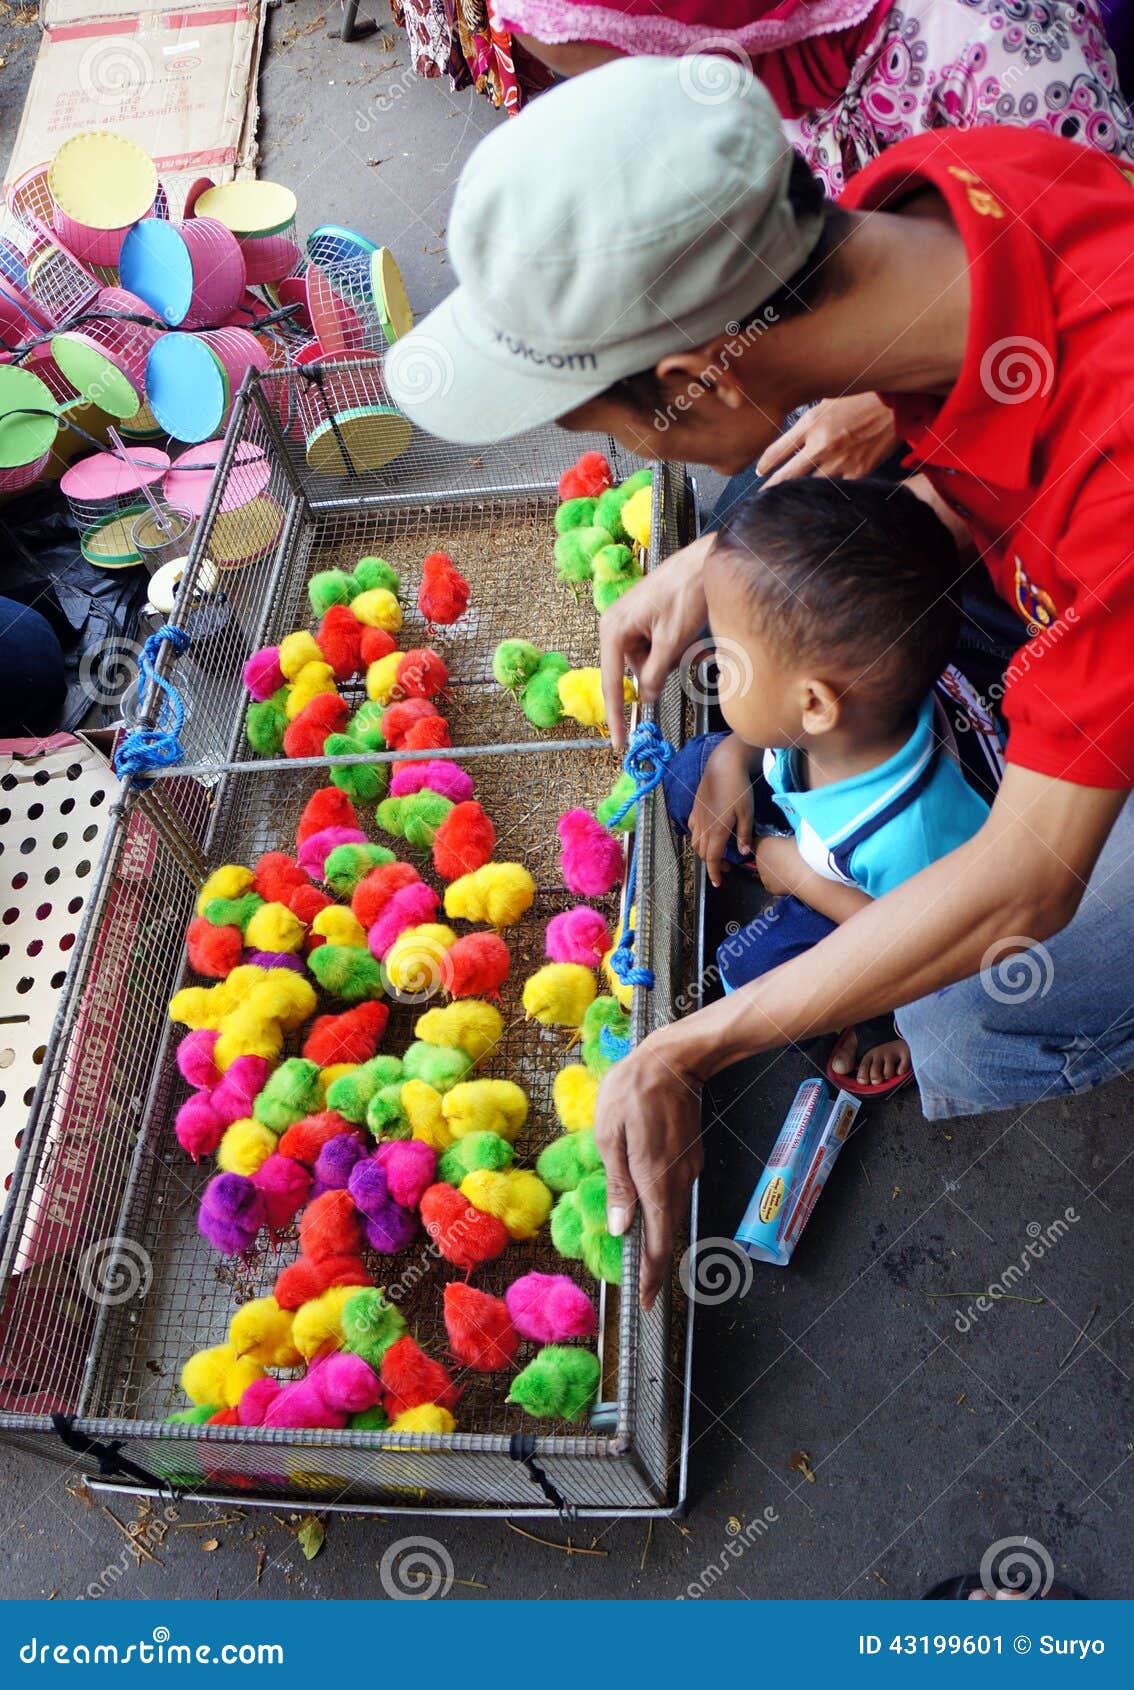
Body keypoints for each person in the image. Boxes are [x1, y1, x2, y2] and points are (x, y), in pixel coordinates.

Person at [385, 58, 1134, 1308]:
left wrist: (689, 1046)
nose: (629, 450)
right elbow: (999, 453)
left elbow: (1023, 885)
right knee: (789, 543)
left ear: (701, 378)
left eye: (617, 428)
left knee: (969, 1010)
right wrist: (721, 559)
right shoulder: (952, 194)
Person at [493, 0, 1134, 487]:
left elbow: (1080, 277)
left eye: (634, 81)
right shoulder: (758, 73)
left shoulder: (997, 49)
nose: (636, 123)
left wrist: (891, 409)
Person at [663, 477, 1000, 1093]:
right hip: (824, 822)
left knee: (745, 971)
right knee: (694, 774)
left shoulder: (910, 834)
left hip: (903, 918)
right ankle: (770, 854)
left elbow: (902, 939)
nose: (712, 660)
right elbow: (777, 732)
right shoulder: (850, 711)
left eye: (731, 653)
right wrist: (736, 754)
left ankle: (888, 1026)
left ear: (814, 702)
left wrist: (787, 868)